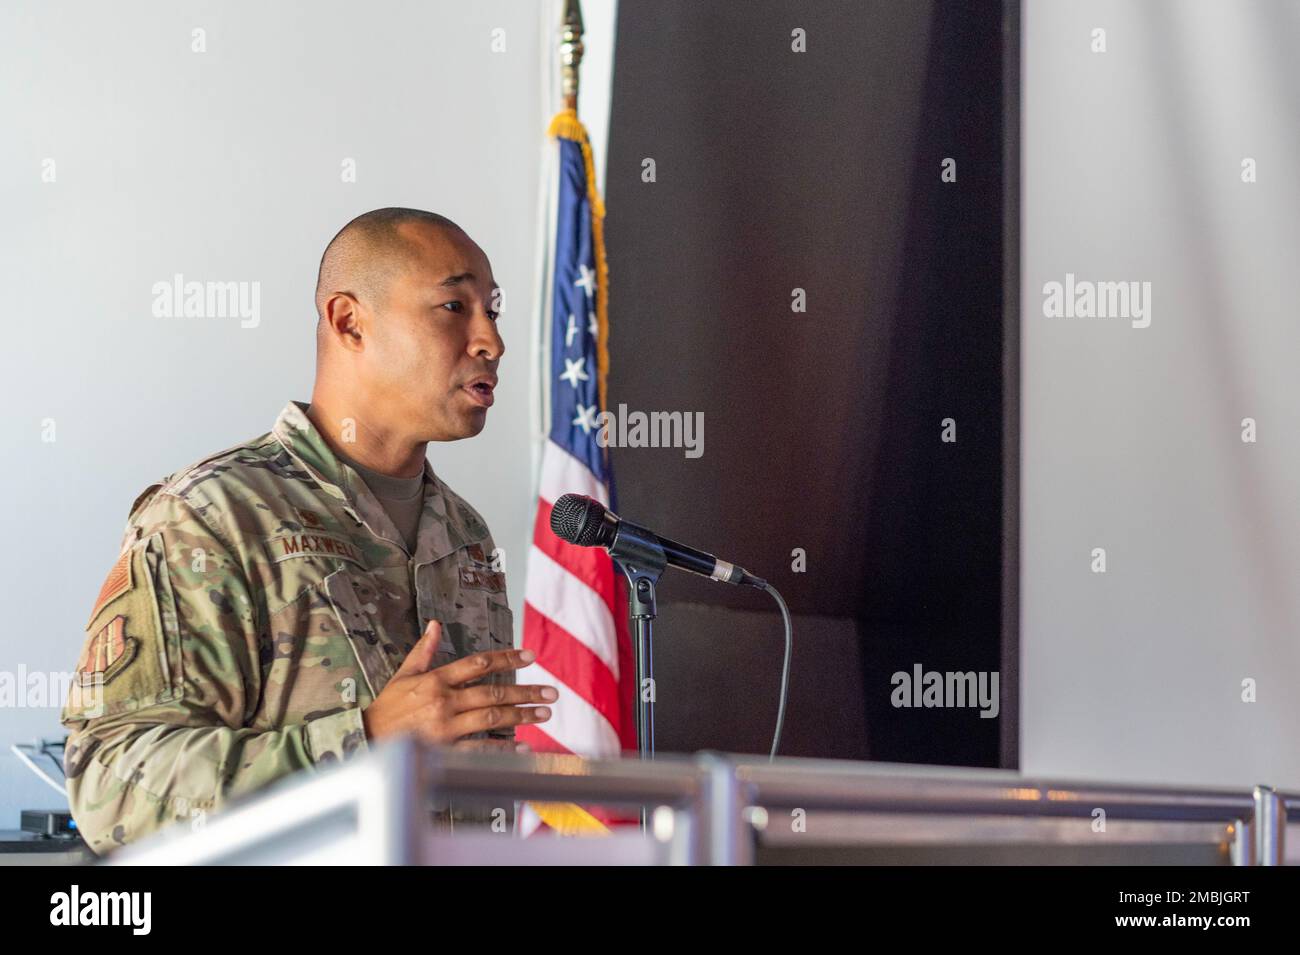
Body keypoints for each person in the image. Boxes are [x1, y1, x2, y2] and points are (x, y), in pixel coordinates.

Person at [60, 208, 556, 854]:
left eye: (492, 309)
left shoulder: (465, 534)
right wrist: (366, 739)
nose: (491, 339)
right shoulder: (213, 516)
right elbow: (110, 783)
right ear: (349, 321)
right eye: (454, 307)